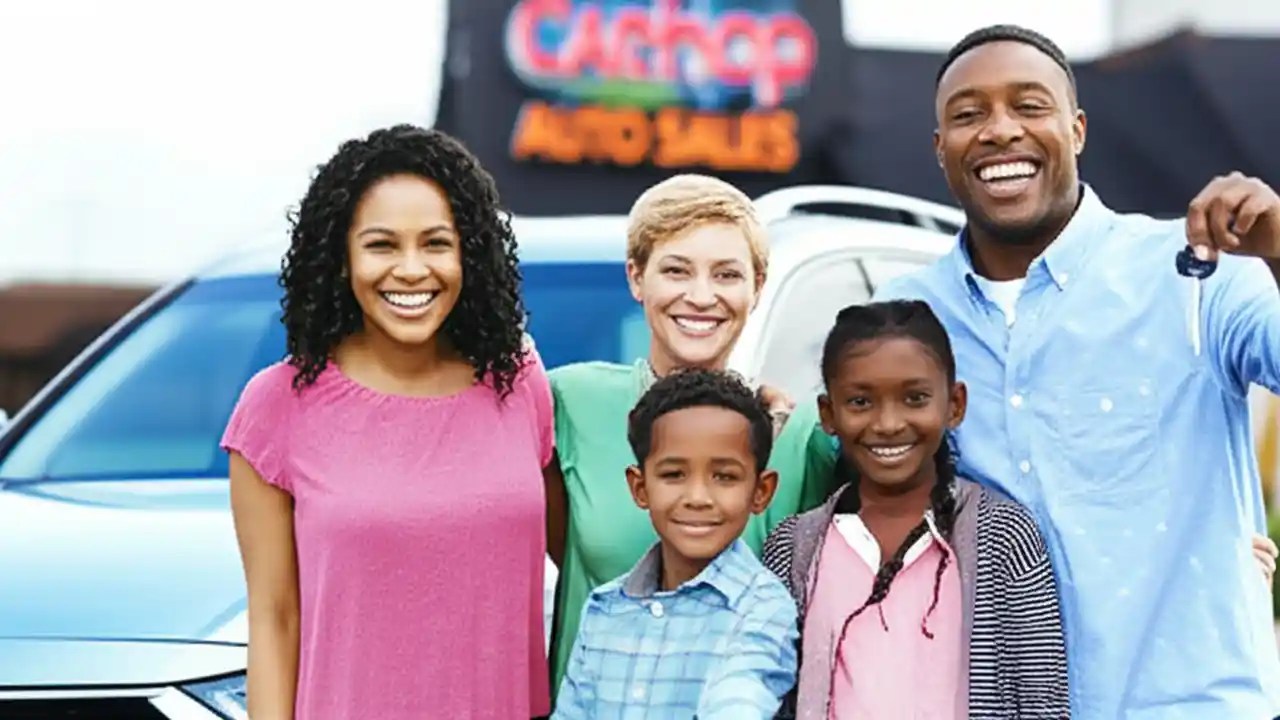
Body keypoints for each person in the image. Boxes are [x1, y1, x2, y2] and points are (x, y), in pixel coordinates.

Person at [873, 23, 1280, 717]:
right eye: (969, 115)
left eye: (1029, 106)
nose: (1000, 130)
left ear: (1078, 129)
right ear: (941, 150)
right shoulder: (900, 320)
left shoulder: (1199, 277)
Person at [221, 125, 554, 719]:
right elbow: (274, 620)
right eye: (381, 245)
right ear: (340, 257)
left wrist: (755, 411)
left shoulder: (520, 383)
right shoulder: (277, 406)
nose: (411, 270)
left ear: (469, 254)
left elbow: (597, 543)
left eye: (436, 243)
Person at [544, 174, 838, 695]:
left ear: (758, 285)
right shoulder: (569, 402)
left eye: (727, 274)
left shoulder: (800, 437)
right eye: (676, 271)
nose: (701, 296)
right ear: (636, 277)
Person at [763, 300, 1069, 719]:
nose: (888, 423)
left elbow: (1042, 701)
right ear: (828, 414)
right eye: (860, 402)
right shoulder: (794, 548)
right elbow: (771, 696)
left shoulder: (1003, 536)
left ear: (954, 405)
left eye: (915, 398)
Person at [552, 368, 799, 719]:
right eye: (673, 475)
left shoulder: (764, 608)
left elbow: (742, 698)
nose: (697, 497)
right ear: (640, 488)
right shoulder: (604, 608)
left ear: (761, 492)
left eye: (724, 477)